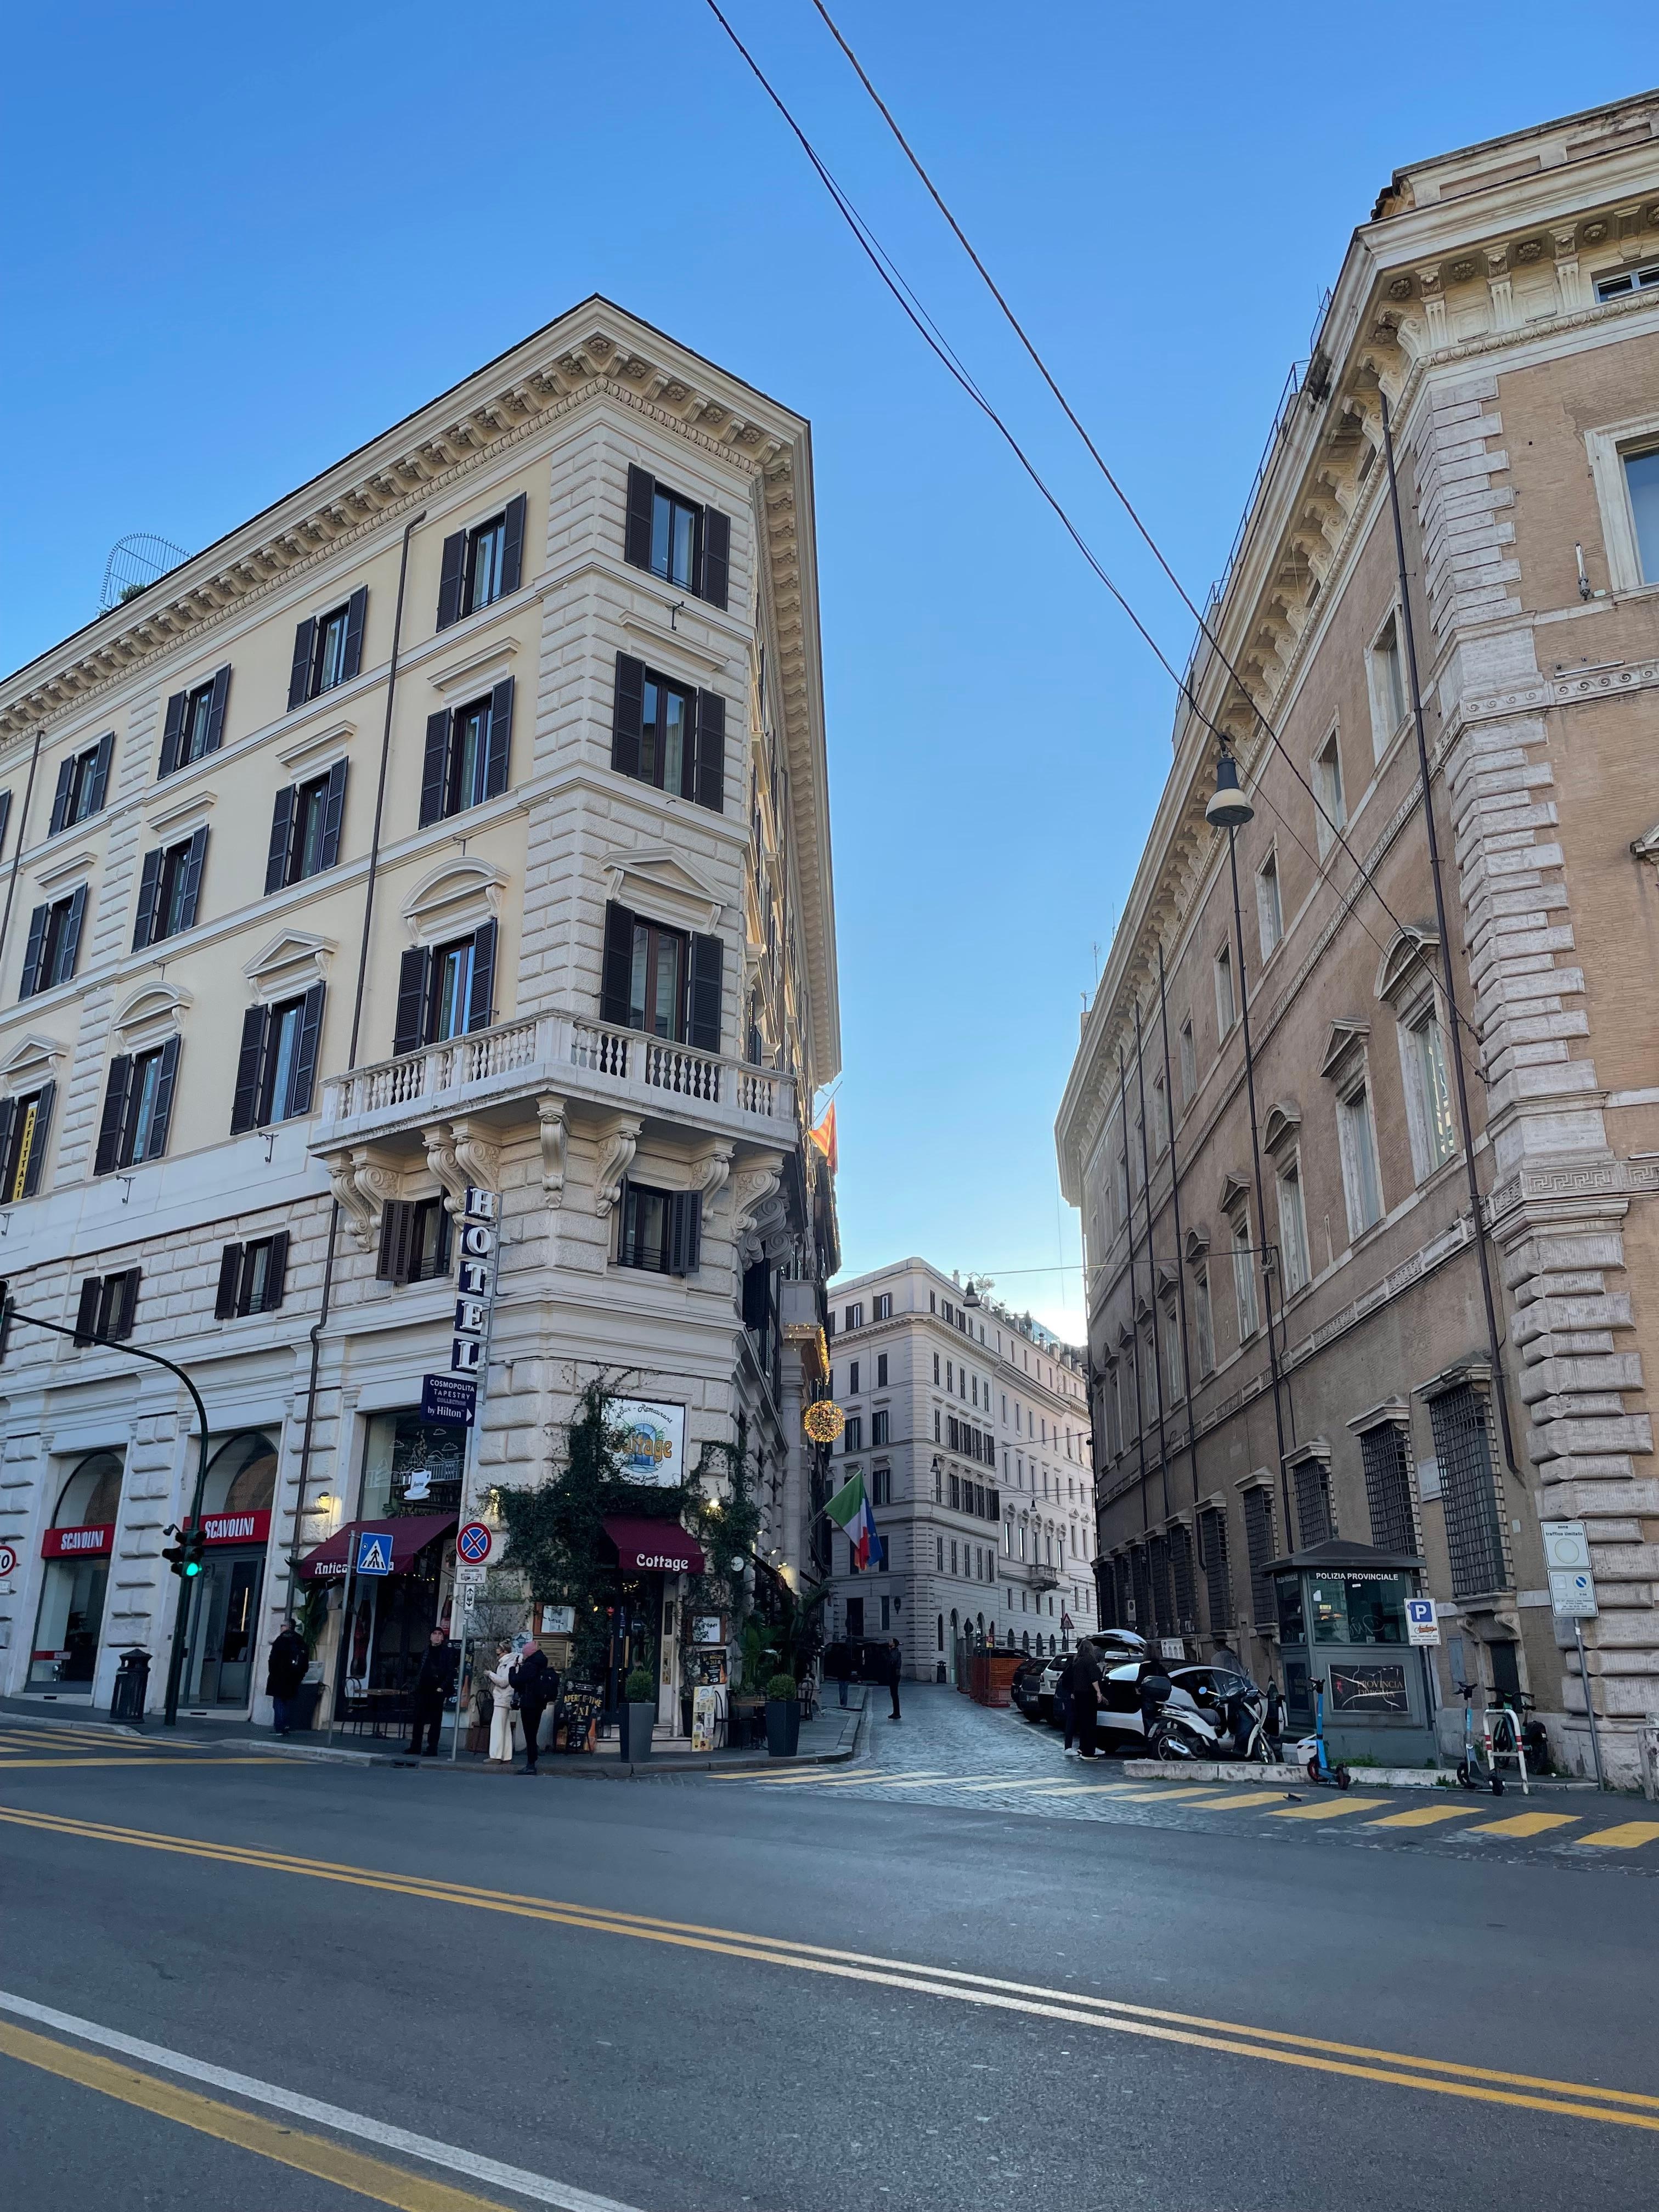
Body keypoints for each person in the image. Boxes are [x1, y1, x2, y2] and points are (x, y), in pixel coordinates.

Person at [407, 1628, 458, 1757]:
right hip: (423, 1689)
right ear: (430, 1637)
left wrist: (442, 1687)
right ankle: (415, 1746)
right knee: (419, 1719)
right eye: (434, 1634)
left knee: (435, 1720)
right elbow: (421, 1669)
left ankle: (432, 1747)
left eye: (440, 1634)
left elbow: (451, 1672)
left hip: (437, 1690)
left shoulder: (447, 1652)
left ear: (443, 1638)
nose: (437, 1637)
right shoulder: (426, 1651)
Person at [510, 1637, 551, 1773]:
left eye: (524, 1653)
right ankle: (532, 1760)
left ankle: (531, 1764)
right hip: (539, 1703)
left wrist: (513, 1669)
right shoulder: (541, 1664)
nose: (524, 1655)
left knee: (530, 1734)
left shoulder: (530, 1666)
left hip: (529, 1704)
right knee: (533, 1732)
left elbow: (515, 1681)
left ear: (529, 1653)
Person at [266, 1620, 309, 1737]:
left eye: (282, 1625)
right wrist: (300, 1675)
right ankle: (286, 1726)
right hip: (294, 1677)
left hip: (279, 1676)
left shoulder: (281, 1640)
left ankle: (279, 1728)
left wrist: (273, 1672)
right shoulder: (300, 1640)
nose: (281, 1628)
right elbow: (305, 1660)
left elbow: (273, 1659)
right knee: (288, 1702)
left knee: (279, 1702)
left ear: (287, 1627)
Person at [1069, 1640, 1103, 1759]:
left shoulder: (1077, 1661)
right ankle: (1089, 1752)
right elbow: (1094, 1679)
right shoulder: (1090, 1660)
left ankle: (1082, 1748)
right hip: (1088, 1695)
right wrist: (1098, 1692)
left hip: (1079, 1695)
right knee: (1090, 1723)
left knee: (1083, 1723)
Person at [486, 1642, 516, 1765]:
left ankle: (496, 1755)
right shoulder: (509, 1663)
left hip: (502, 1697)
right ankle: (506, 1756)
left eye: (499, 1651)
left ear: (505, 1652)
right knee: (505, 1728)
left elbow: (504, 1682)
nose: (497, 1653)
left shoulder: (507, 1664)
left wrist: (491, 1674)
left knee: (498, 1728)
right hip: (505, 1698)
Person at [885, 1637, 903, 1720]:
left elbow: (893, 1661)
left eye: (891, 1641)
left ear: (894, 1644)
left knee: (895, 1694)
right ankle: (896, 1712)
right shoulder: (893, 1651)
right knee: (894, 1694)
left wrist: (888, 1654)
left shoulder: (895, 1652)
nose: (889, 1642)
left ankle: (897, 1713)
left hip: (894, 1675)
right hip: (893, 1675)